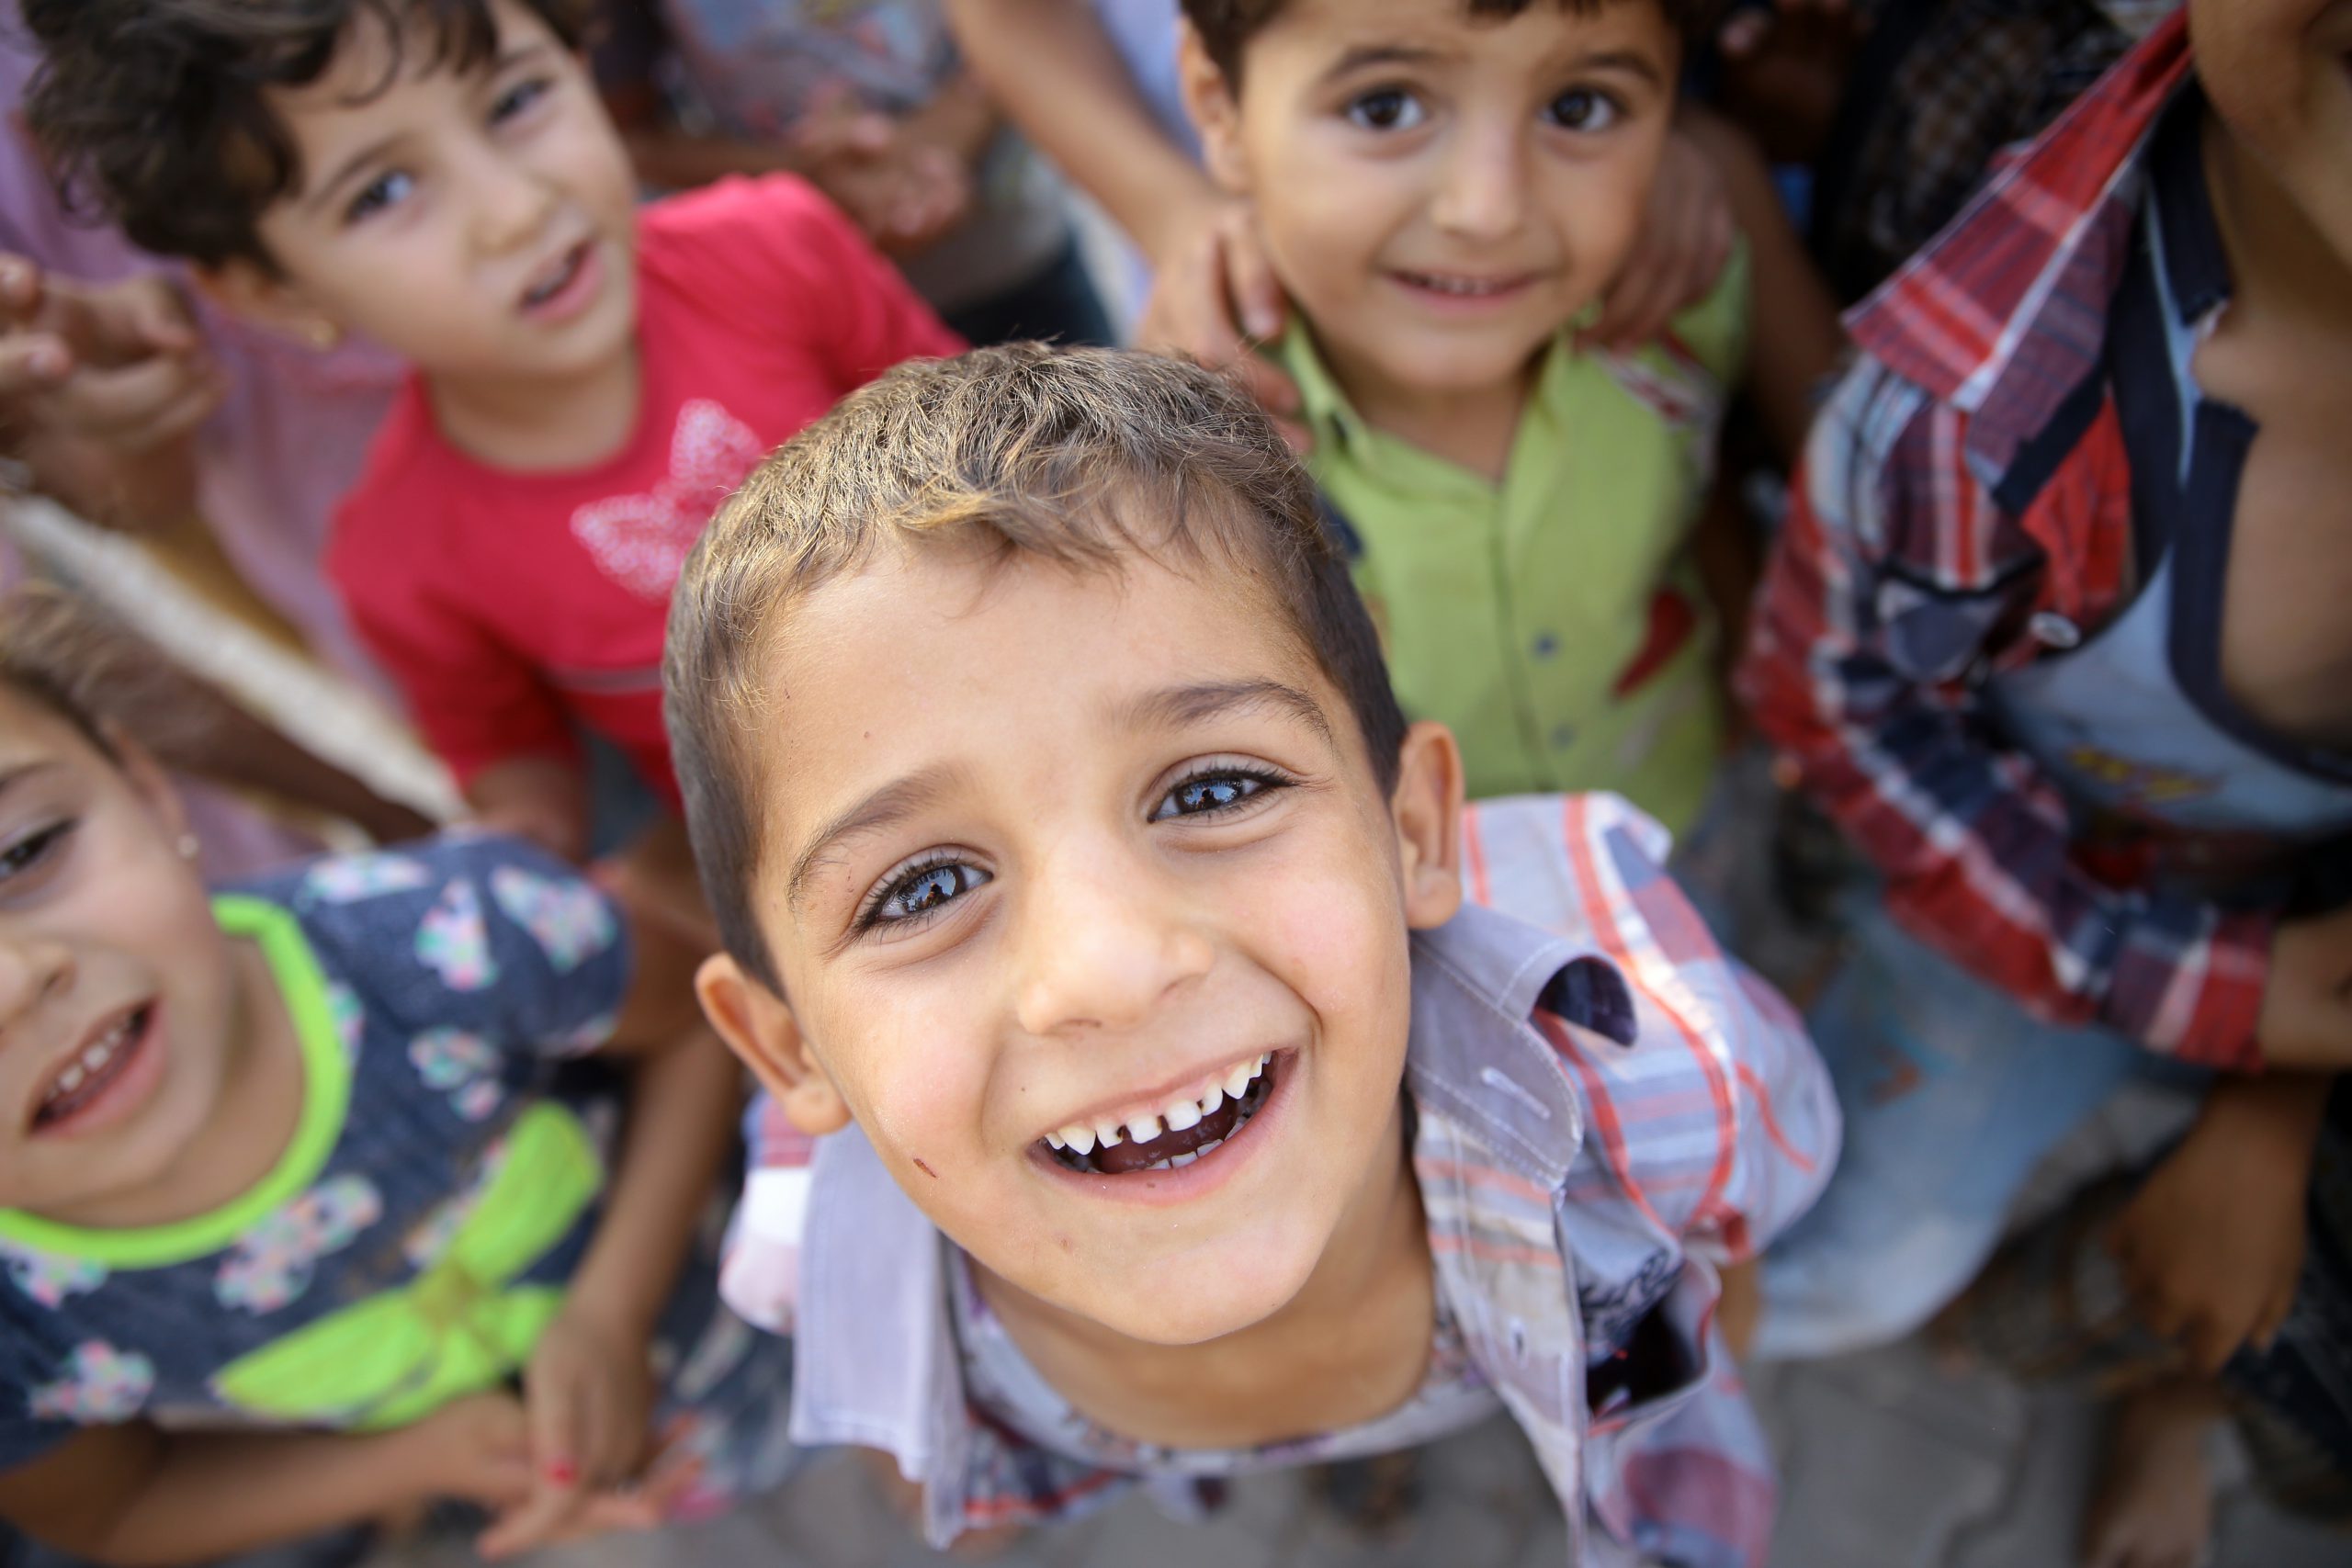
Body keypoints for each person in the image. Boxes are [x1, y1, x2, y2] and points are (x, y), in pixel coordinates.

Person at [667, 344, 1839, 1565]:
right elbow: (927, 1456)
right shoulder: (818, 1265)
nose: (1110, 968)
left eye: (1215, 786)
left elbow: (1712, 1301)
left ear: (1412, 832)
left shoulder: (1662, 1099)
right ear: (789, 1043)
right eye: (926, 886)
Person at [1740, 1, 2352, 1557]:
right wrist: (2209, 994)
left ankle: (2185, 1393)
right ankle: (1665, 1345)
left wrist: (2279, 1100)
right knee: (1869, 1248)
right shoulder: (1978, 404)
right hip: (2044, 908)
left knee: (2258, 1307)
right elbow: (1840, 698)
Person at [18, 0, 964, 865]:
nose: (512, 212)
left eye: (514, 100)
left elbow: (990, 442)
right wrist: (527, 838)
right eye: (381, 192)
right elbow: (515, 761)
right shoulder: (399, 556)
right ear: (271, 292)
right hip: (817, 866)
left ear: (578, 51)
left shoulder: (780, 247)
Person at [0, 589, 798, 1567]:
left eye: (24, 851)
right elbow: (116, 1511)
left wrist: (610, 1310)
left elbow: (696, 1024)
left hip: (808, 1265)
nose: (14, 982)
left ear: (147, 786)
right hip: (624, 1483)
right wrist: (424, 1459)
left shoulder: (446, 933)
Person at [1165, 0, 1840, 829]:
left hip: (1704, 805)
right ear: (1215, 101)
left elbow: (1867, 513)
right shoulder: (1183, 448)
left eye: (1578, 108)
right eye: (1386, 107)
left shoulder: (1700, 272)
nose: (1488, 209)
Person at [595, 0, 1116, 349]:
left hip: (1018, 255)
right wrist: (808, 178)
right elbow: (625, 132)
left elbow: (1043, 20)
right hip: (818, 314)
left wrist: (946, 131)